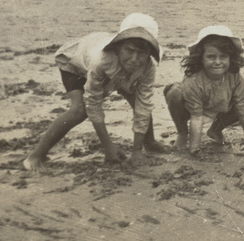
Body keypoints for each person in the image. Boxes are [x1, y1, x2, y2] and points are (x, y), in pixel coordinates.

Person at [22, 13, 168, 171]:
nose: (134, 59)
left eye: (141, 53)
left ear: (149, 54)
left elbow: (144, 104)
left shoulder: (148, 66)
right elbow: (93, 102)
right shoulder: (101, 60)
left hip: (116, 69)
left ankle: (149, 142)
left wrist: (136, 151)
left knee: (139, 101)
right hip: (75, 63)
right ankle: (35, 157)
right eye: (129, 50)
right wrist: (108, 146)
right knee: (80, 110)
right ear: (118, 47)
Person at [163, 25, 244, 155]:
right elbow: (196, 117)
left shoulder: (235, 77)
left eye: (223, 56)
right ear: (201, 58)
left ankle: (215, 130)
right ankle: (182, 133)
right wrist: (194, 148)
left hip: (221, 107)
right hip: (191, 109)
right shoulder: (193, 80)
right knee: (174, 93)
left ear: (231, 58)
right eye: (211, 57)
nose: (217, 62)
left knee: (243, 106)